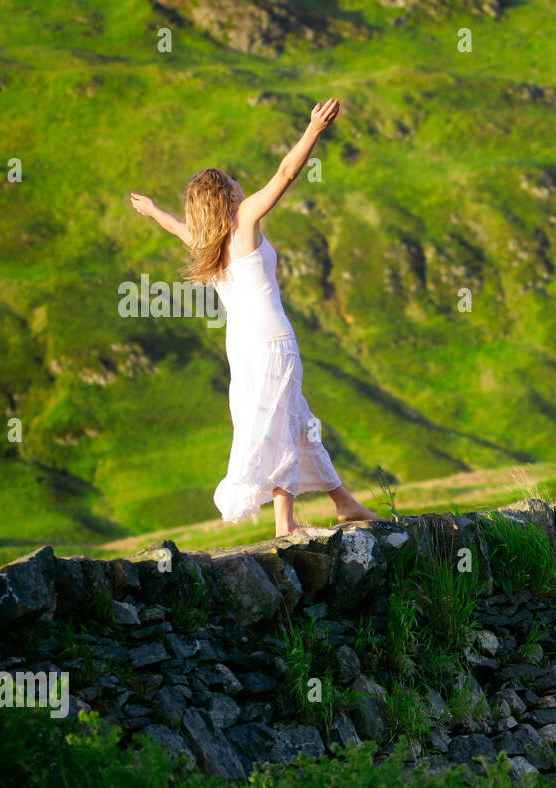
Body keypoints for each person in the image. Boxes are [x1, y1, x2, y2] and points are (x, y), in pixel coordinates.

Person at [129, 97, 374, 536]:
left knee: (299, 423)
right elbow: (285, 173)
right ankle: (286, 525)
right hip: (272, 344)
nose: (241, 185)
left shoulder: (207, 244)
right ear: (227, 197)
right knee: (283, 423)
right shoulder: (243, 222)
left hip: (242, 350)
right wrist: (313, 130)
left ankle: (344, 502)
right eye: (234, 182)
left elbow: (173, 226)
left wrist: (151, 210)